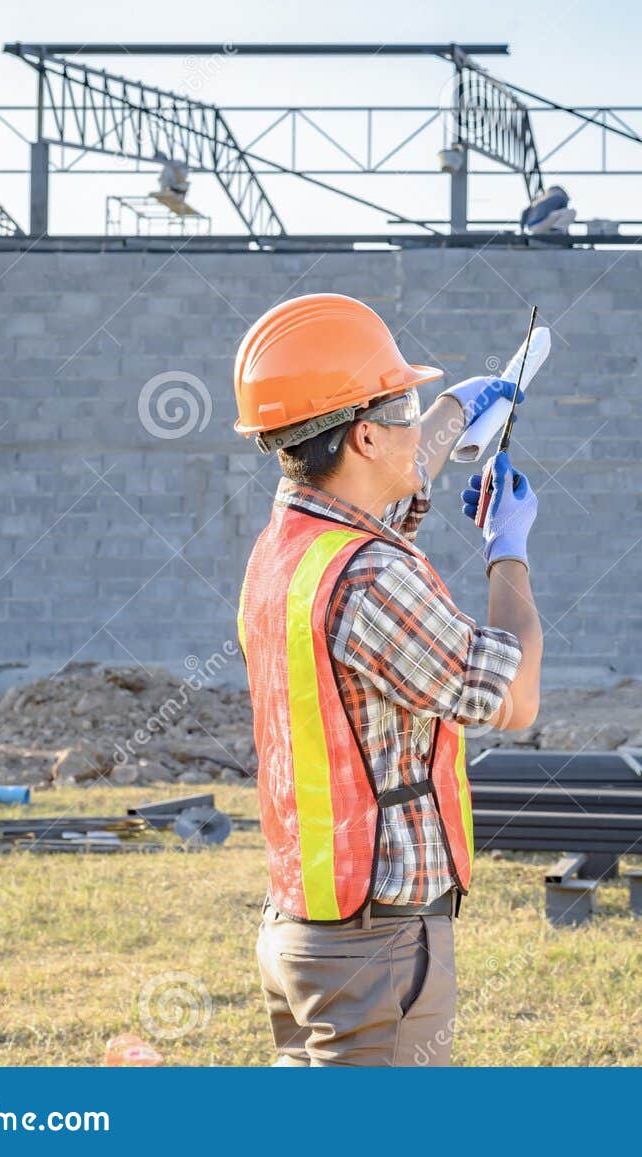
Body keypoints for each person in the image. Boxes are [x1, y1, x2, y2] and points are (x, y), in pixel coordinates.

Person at [231, 293, 544, 1066]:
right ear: (364, 433)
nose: (415, 425)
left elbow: (377, 496)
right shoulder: (371, 579)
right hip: (379, 946)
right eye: (400, 405)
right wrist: (509, 550)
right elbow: (515, 697)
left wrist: (445, 411)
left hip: (310, 932)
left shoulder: (287, 550)